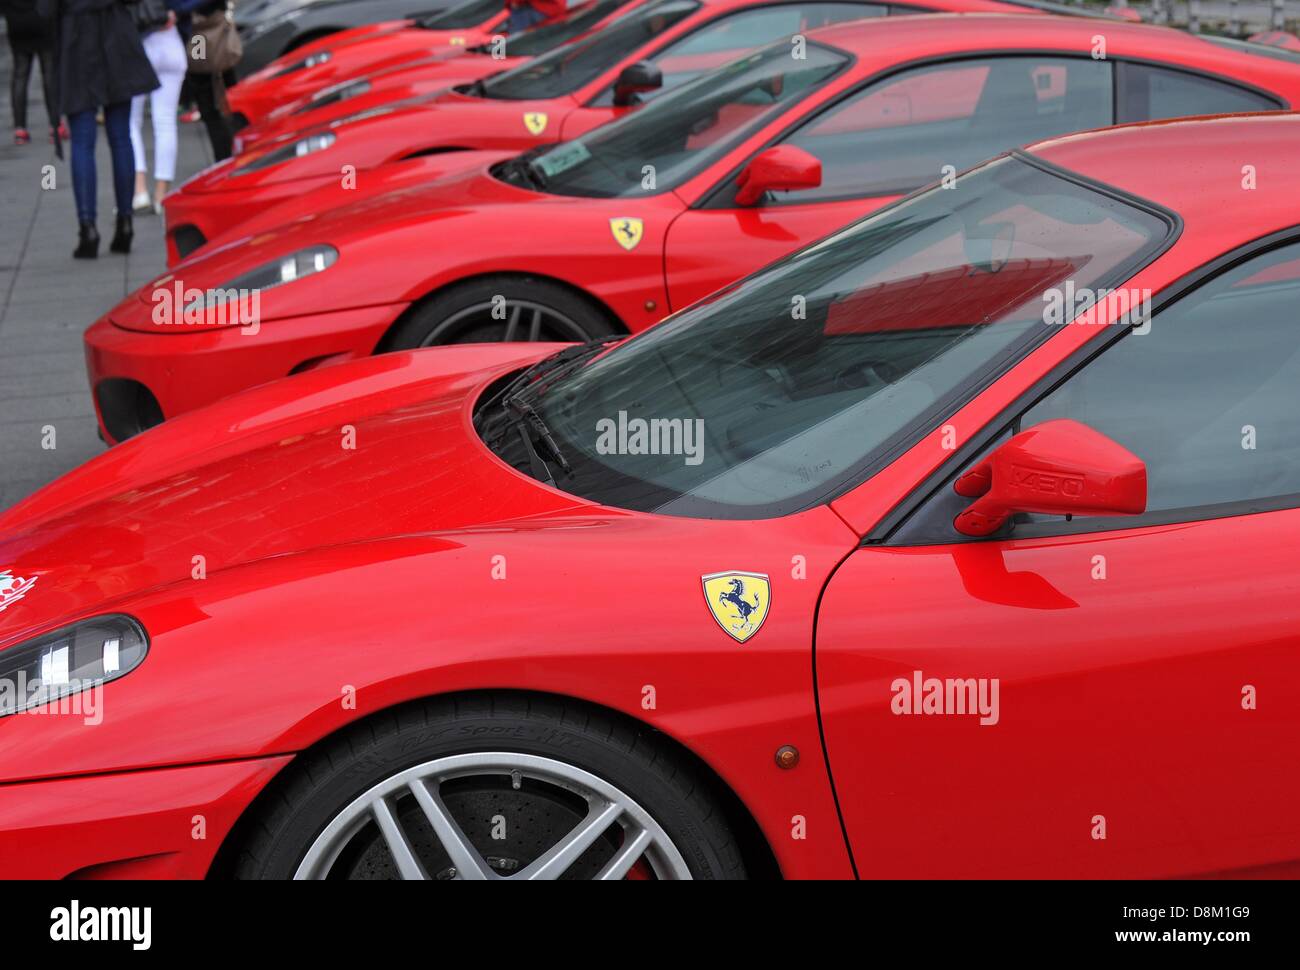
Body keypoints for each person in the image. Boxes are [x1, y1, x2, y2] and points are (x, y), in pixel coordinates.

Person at [41, 0, 160, 259]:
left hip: (76, 42)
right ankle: (125, 223)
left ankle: (88, 229)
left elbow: (44, 9)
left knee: (83, 142)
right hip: (116, 34)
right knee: (120, 137)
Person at [127, 0, 187, 212]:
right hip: (171, 42)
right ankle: (161, 195)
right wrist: (175, 12)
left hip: (138, 44)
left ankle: (139, 189)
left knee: (131, 122)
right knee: (166, 122)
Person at [1, 0, 58, 144]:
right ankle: (55, 125)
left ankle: (20, 128)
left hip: (17, 26)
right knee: (49, 74)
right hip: (43, 23)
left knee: (20, 75)